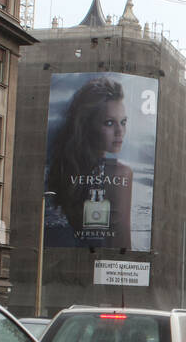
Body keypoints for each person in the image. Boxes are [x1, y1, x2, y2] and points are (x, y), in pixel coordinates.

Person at [45, 77, 134, 248]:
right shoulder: (119, 173)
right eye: (109, 123)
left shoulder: (57, 168)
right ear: (87, 124)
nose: (120, 131)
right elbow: (122, 245)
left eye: (123, 122)